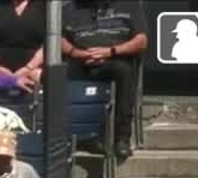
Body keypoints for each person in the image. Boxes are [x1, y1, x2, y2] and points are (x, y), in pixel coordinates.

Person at [61, 0, 147, 161]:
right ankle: (67, 135)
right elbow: (59, 40)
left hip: (115, 58)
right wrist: (78, 53)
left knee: (124, 71)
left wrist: (110, 52)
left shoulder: (130, 5)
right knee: (55, 74)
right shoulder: (70, 7)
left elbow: (141, 41)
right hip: (80, 59)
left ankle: (121, 138)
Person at [0, 0, 46, 85]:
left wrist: (28, 68)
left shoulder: (44, 9)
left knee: (42, 76)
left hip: (32, 69)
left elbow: (48, 46)